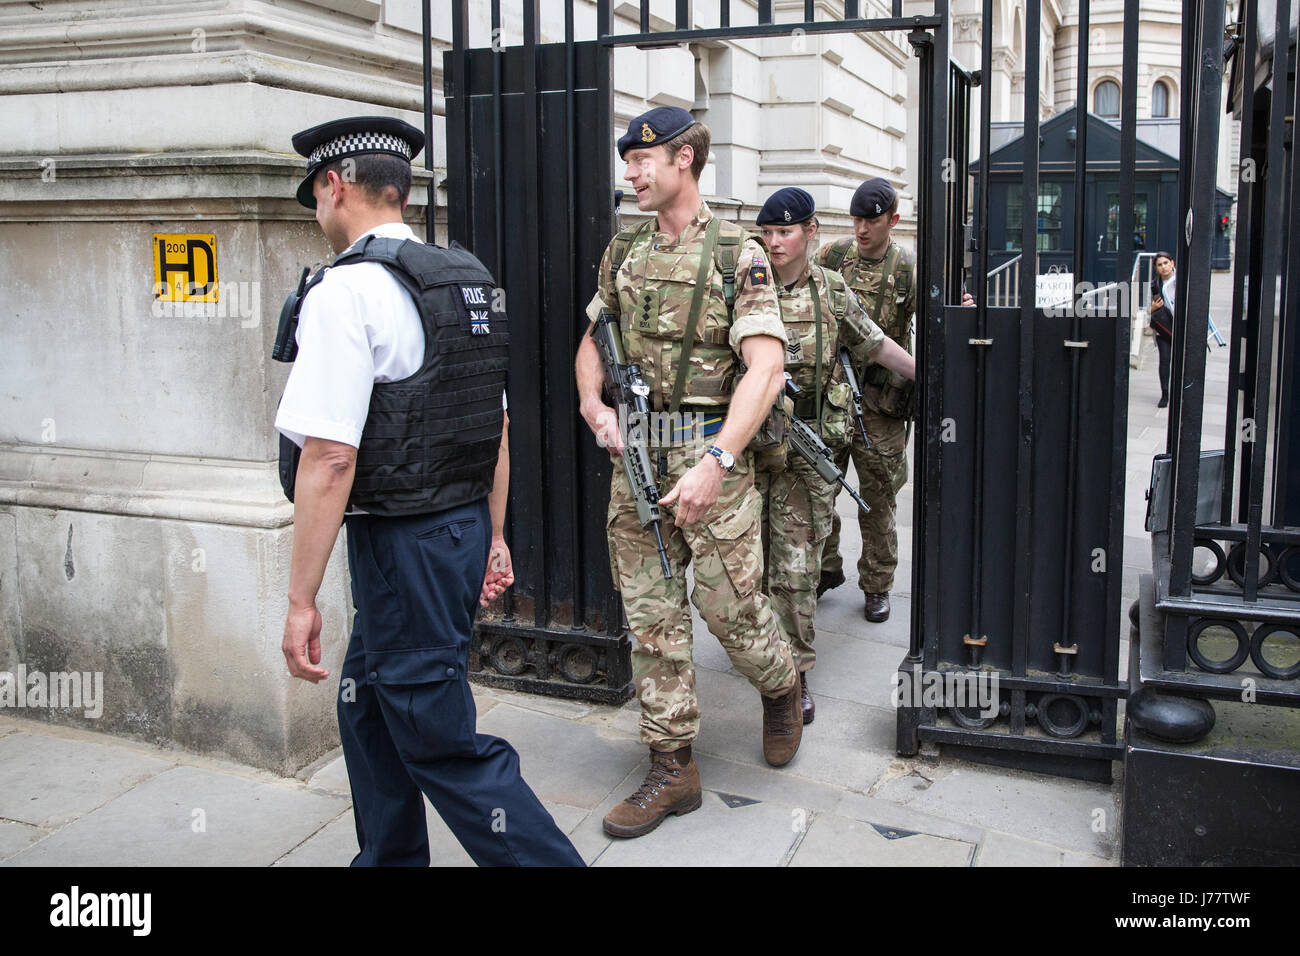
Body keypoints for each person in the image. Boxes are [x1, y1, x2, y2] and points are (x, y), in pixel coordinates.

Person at [275, 115, 583, 867]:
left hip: (402, 543)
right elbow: (496, 428)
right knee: (371, 709)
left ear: (333, 185)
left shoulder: (347, 292)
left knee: (440, 741)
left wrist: (300, 599)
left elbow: (329, 459)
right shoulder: (463, 279)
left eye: (315, 194)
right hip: (453, 530)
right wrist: (494, 536)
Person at [575, 106, 804, 839]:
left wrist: (717, 461)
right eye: (629, 162)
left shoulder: (741, 253)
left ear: (685, 159)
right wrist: (593, 406)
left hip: (711, 454)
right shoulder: (623, 254)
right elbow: (592, 339)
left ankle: (780, 683)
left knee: (730, 609)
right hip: (637, 455)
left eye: (644, 161)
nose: (632, 174)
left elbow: (766, 367)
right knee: (651, 615)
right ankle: (672, 766)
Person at [755, 187, 916, 723]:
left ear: (810, 231)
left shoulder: (832, 289)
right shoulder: (742, 286)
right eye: (769, 233)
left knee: (797, 562)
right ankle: (761, 651)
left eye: (785, 232)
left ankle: (793, 674)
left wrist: (930, 374)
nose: (775, 243)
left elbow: (875, 344)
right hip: (748, 447)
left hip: (807, 448)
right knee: (750, 563)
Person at [815, 177, 917, 623]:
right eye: (856, 219)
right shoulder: (833, 257)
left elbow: (934, 318)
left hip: (882, 406)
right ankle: (825, 568)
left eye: (871, 220)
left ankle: (877, 585)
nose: (861, 229)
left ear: (892, 220)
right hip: (832, 398)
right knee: (818, 487)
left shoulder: (907, 269)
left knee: (877, 498)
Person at [1149, 251, 1175, 409]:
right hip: (1164, 330)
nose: (1164, 267)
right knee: (1164, 361)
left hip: (1180, 327)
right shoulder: (1154, 285)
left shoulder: (1181, 280)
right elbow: (1149, 310)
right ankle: (1165, 393)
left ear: (1172, 263)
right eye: (1160, 265)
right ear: (1156, 268)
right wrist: (1152, 308)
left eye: (1166, 263)